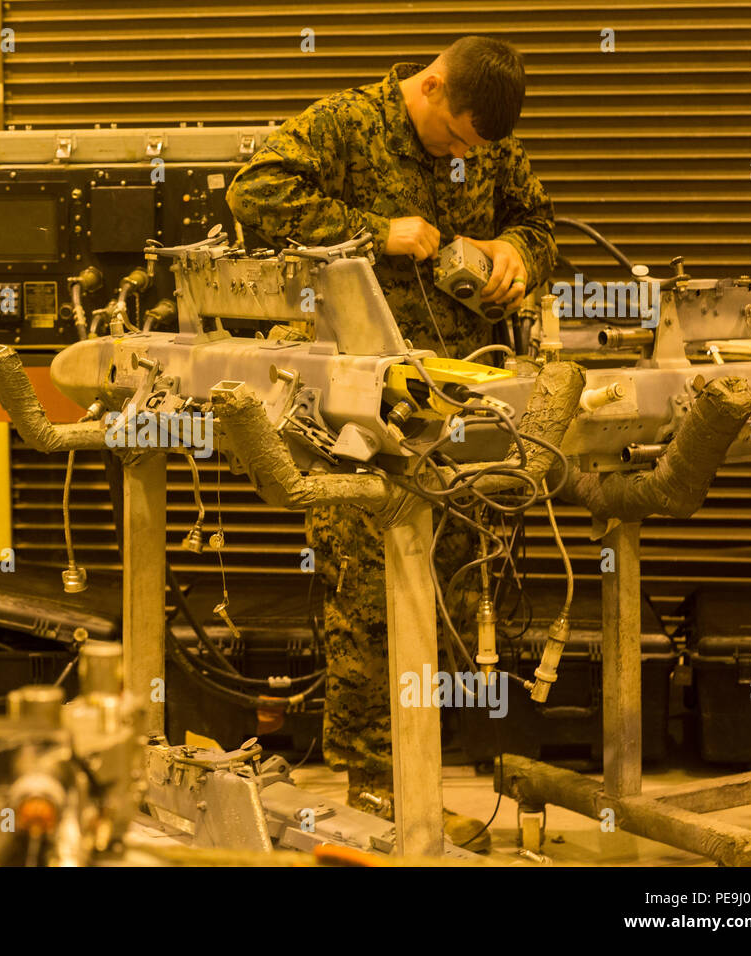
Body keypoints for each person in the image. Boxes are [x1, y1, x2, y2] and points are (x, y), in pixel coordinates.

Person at [225, 35, 558, 851]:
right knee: (370, 602)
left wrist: (517, 251)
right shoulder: (345, 124)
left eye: (476, 151)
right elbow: (252, 193)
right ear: (431, 84)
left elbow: (542, 225)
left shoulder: (488, 141)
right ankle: (377, 791)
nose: (462, 159)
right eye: (452, 140)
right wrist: (376, 230)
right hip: (359, 405)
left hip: (463, 398)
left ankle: (419, 778)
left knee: (444, 595)